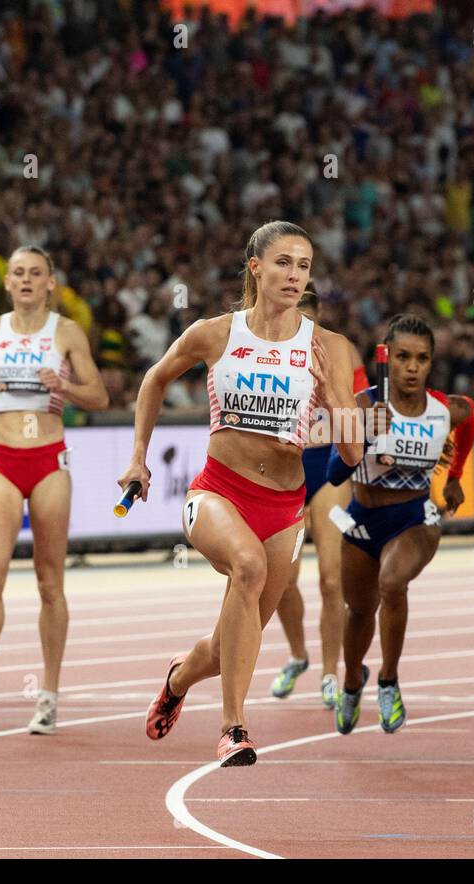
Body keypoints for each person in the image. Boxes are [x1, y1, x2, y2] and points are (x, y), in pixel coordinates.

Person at [132, 220, 362, 766]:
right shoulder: (215, 333)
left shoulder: (329, 346)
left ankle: (179, 678)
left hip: (284, 507)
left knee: (225, 647)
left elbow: (352, 456)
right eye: (283, 262)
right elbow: (155, 379)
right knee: (248, 567)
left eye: (304, 266)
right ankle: (234, 728)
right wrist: (138, 458)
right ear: (255, 267)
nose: (294, 275)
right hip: (217, 492)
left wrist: (334, 398)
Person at [0, 246, 109, 734]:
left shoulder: (65, 332)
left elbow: (98, 396)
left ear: (50, 282)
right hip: (1, 458)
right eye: (17, 273)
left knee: (49, 582)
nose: (25, 280)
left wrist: (64, 386)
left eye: (35, 273)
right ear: (6, 282)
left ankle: (49, 694)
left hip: (48, 460)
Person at [331, 314, 474, 735]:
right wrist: (360, 436)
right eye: (403, 357)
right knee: (359, 610)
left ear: (431, 363)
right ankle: (352, 680)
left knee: (392, 584)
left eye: (422, 359)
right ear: (388, 359)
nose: (412, 367)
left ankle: (389, 681)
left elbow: (472, 415)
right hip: (361, 521)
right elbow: (333, 473)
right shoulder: (362, 405)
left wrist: (453, 477)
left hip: (415, 519)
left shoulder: (444, 409)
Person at [269, 281, 368, 709]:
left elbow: (361, 409)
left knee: (331, 578)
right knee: (280, 583)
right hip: (284, 472)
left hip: (328, 469)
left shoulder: (340, 352)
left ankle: (330, 673)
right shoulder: (263, 349)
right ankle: (297, 655)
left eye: (307, 312)